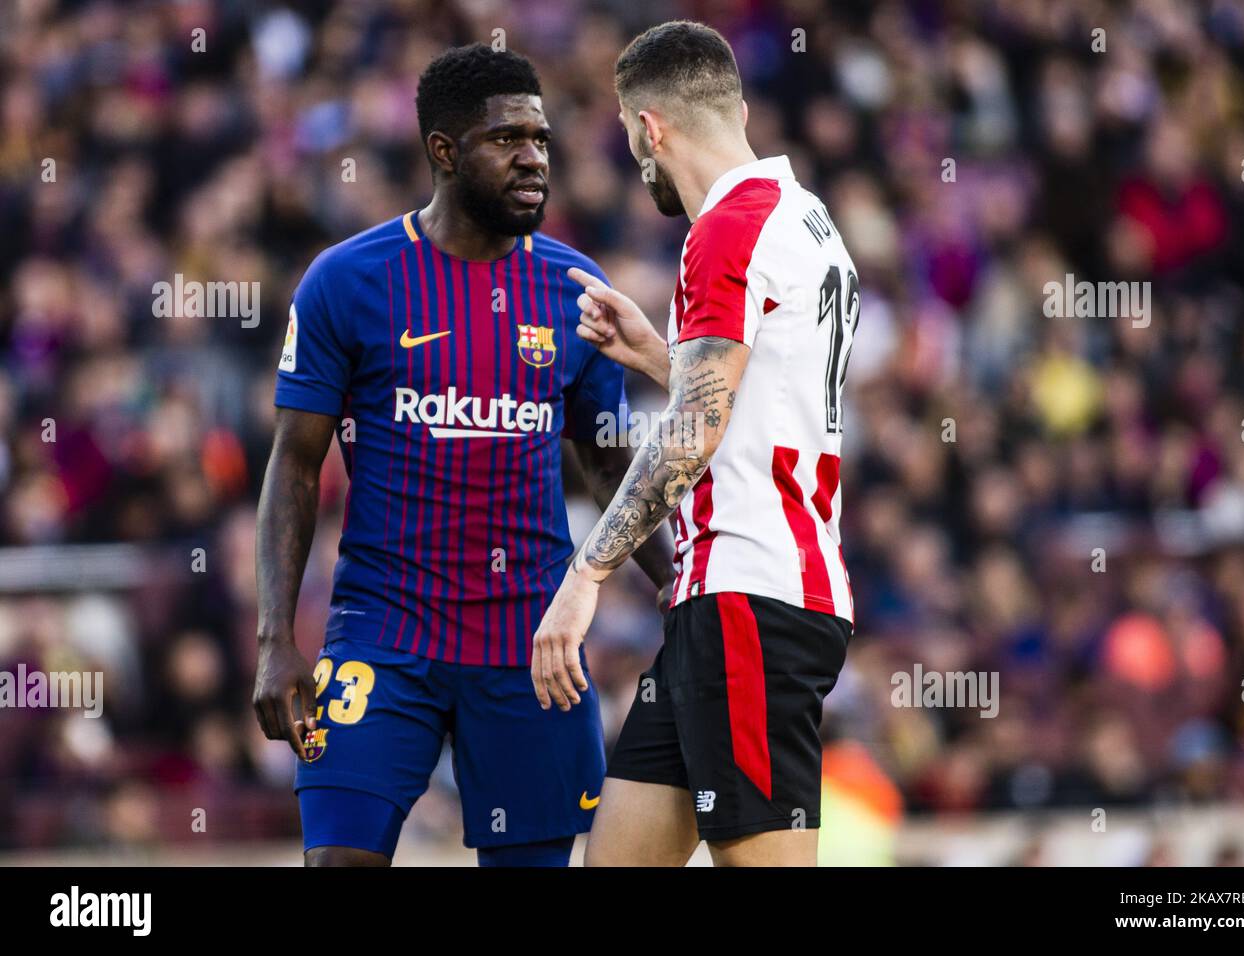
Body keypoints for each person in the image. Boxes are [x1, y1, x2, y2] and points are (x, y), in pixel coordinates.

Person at [252, 43, 673, 867]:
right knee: (339, 860)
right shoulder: (346, 282)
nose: (532, 158)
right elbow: (294, 465)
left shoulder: (577, 291)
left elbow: (608, 466)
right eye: (506, 138)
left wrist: (677, 588)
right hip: (383, 636)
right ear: (444, 152)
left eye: (542, 140)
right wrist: (275, 638)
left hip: (532, 646)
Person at [532, 21, 860, 866]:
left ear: (650, 129)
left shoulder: (723, 231)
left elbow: (695, 430)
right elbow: (758, 391)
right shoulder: (809, 220)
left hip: (748, 597)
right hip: (736, 600)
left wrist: (585, 575)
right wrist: (655, 352)